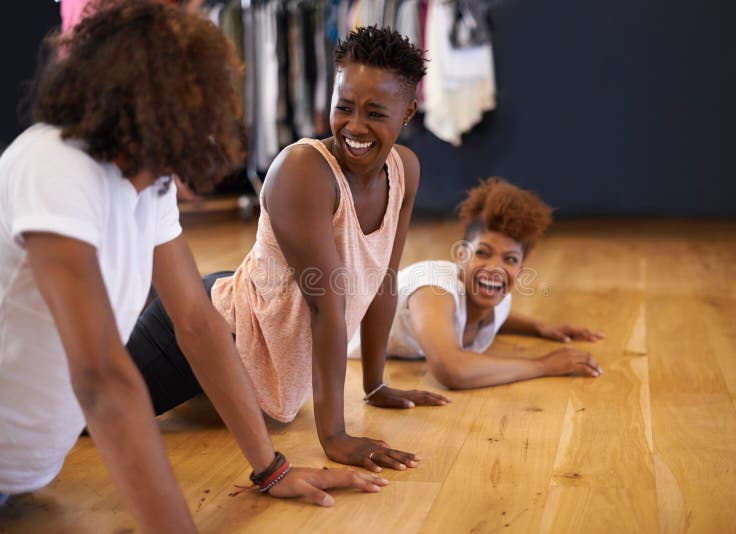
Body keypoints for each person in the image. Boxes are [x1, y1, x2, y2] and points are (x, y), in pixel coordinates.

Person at [0, 2, 385, 531]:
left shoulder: (146, 179)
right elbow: (103, 380)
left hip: (26, 481)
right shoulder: (56, 168)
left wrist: (270, 469)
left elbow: (199, 323)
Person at [127, 25, 451, 475]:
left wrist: (375, 386)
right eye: (344, 107)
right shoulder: (304, 170)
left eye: (376, 112)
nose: (355, 126)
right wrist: (334, 437)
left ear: (409, 112)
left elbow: (384, 281)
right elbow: (328, 304)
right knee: (77, 416)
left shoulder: (404, 171)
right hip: (210, 332)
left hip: (257, 314)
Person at [348, 177, 606, 389]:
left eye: (510, 259)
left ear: (520, 269)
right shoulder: (433, 289)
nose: (495, 268)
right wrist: (545, 365)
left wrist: (539, 326)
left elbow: (479, 314)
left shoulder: (499, 299)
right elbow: (452, 371)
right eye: (482, 253)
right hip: (322, 347)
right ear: (461, 255)